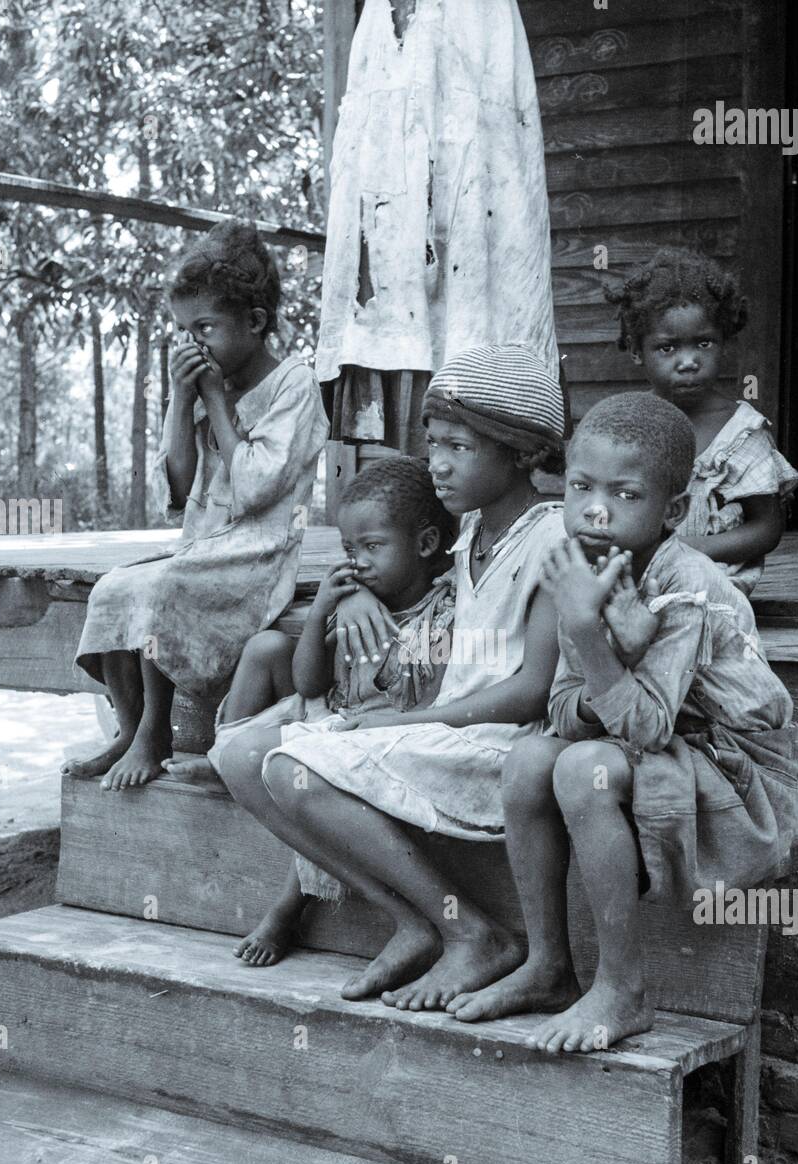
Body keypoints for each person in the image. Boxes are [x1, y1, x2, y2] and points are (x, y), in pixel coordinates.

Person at [214, 344, 567, 1005]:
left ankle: (471, 932)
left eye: (459, 446)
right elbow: (395, 538)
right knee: (243, 757)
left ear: (521, 451)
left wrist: (405, 719)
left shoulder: (550, 538)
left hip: (503, 746)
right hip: (450, 734)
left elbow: (530, 692)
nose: (437, 462)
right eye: (433, 442)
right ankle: (413, 921)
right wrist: (352, 591)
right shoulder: (467, 540)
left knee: (294, 768)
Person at [448, 392, 798, 1053]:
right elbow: (559, 706)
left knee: (586, 771)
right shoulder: (584, 566)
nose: (596, 508)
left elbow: (645, 727)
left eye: (624, 494)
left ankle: (624, 988)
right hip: (668, 750)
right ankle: (550, 966)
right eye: (580, 487)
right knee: (528, 758)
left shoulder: (686, 586)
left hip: (741, 780)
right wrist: (599, 660)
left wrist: (589, 635)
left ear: (671, 510)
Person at [63, 219, 328, 790]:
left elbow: (256, 487)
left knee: (162, 589)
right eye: (183, 330)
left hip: (257, 556)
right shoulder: (207, 381)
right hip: (202, 546)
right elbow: (180, 489)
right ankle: (129, 729)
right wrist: (184, 400)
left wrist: (211, 396)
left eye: (204, 327)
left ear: (255, 323)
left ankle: (155, 731)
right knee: (113, 588)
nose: (192, 343)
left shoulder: (294, 386)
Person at [164, 455, 456, 967]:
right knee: (265, 648)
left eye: (372, 547)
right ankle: (223, 761)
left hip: (374, 734)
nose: (357, 561)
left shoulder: (437, 613)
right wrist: (327, 604)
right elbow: (307, 681)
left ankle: (287, 905)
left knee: (305, 778)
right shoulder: (356, 595)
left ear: (427, 544)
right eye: (349, 549)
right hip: (331, 710)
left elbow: (405, 704)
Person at [606, 246, 798, 594]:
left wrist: (686, 552)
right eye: (667, 348)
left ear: (724, 343)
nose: (688, 361)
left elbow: (767, 527)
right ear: (637, 351)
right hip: (637, 579)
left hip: (713, 585)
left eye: (704, 344)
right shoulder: (628, 424)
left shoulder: (739, 433)